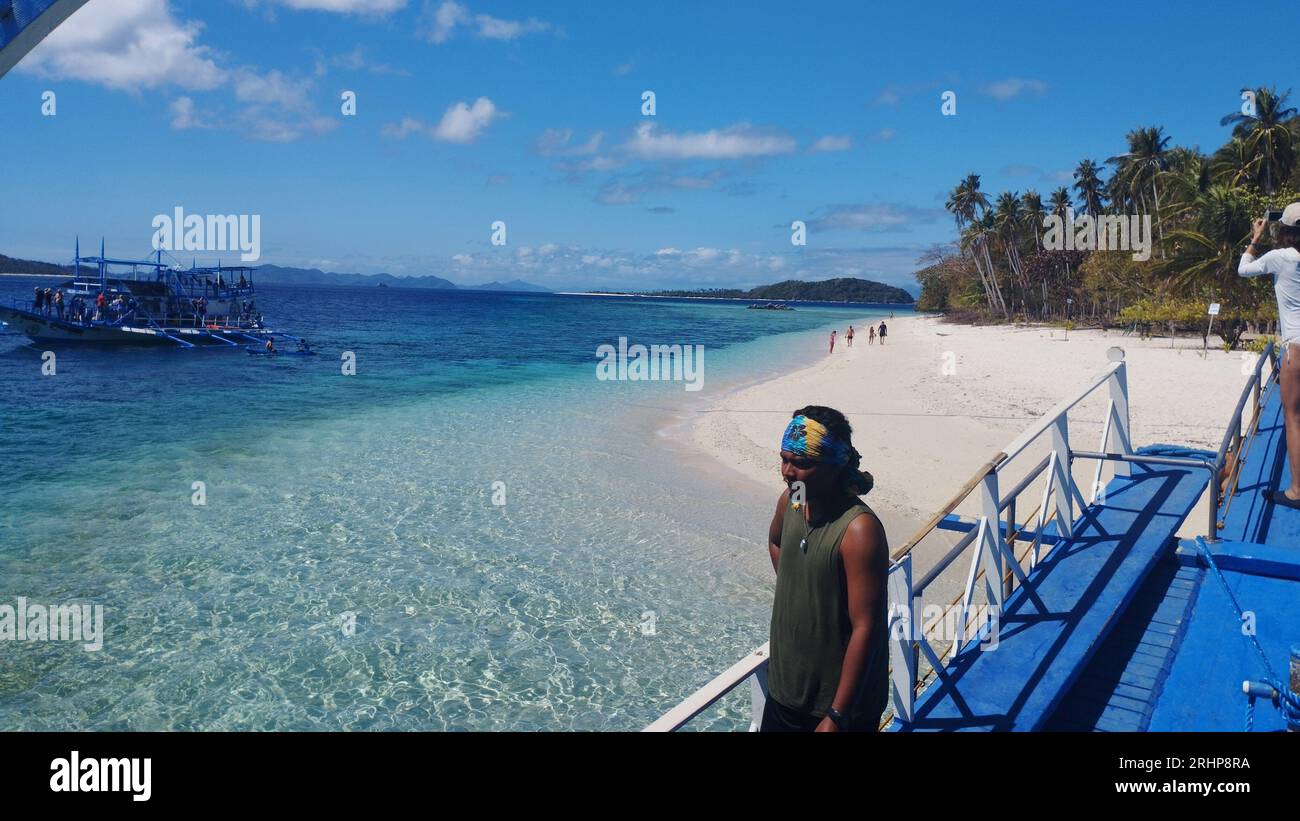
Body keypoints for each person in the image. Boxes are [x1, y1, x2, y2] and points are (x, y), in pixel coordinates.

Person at [764, 406, 889, 732]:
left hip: (837, 708)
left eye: (802, 463)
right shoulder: (790, 502)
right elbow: (775, 541)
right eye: (784, 459)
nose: (788, 472)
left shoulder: (858, 530)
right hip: (784, 693)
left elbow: (867, 627)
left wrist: (837, 715)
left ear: (834, 465)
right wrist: (799, 587)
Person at [1239, 203, 1300, 509]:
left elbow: (1244, 269)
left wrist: (1256, 237)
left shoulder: (1282, 257)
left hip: (1296, 348)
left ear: (1285, 229)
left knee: (1293, 418)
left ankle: (1297, 491)